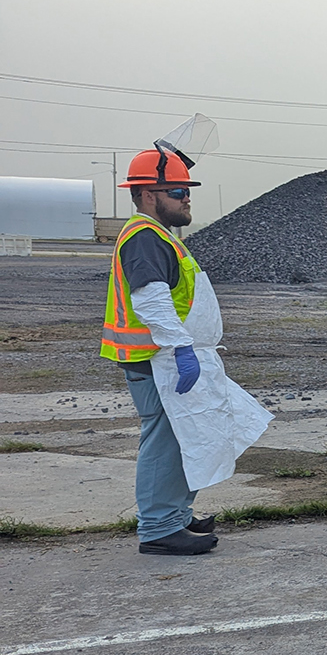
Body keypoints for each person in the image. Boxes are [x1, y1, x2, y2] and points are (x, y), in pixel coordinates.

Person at [101, 144, 216, 555]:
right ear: (149, 194)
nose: (187, 199)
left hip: (164, 357)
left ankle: (176, 514)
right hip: (155, 359)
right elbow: (151, 299)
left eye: (187, 191)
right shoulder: (145, 237)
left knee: (182, 436)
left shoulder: (157, 235)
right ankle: (158, 527)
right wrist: (181, 348)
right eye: (178, 192)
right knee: (164, 439)